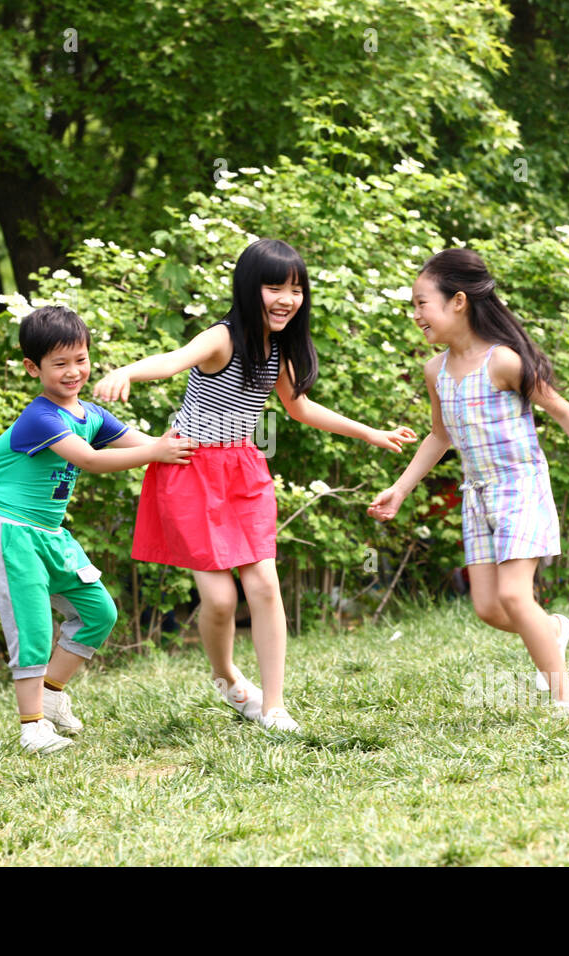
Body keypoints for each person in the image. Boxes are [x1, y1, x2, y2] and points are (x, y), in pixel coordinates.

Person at [94, 238, 416, 731]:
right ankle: (226, 677)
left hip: (243, 469)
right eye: (274, 287)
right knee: (220, 600)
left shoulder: (280, 349)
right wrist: (127, 373)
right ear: (249, 288)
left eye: (296, 289)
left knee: (264, 585)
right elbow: (173, 358)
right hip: (190, 468)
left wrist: (369, 431)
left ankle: (274, 705)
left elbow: (300, 408)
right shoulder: (222, 338)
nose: (287, 298)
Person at [368, 248, 569, 709]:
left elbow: (564, 412)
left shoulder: (503, 361)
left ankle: (563, 701)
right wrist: (401, 487)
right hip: (477, 498)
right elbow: (439, 436)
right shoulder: (436, 371)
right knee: (489, 608)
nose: (416, 315)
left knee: (515, 595)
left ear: (458, 301)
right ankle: (550, 630)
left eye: (421, 303)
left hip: (520, 488)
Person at [0, 306, 194, 755]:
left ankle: (52, 694)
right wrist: (156, 450)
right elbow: (92, 460)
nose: (74, 371)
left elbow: (147, 445)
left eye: (81, 359)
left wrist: (183, 443)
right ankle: (32, 727)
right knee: (33, 629)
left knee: (99, 613)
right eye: (60, 363)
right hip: (17, 535)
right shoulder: (41, 417)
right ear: (33, 368)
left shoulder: (90, 414)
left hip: (54, 536)